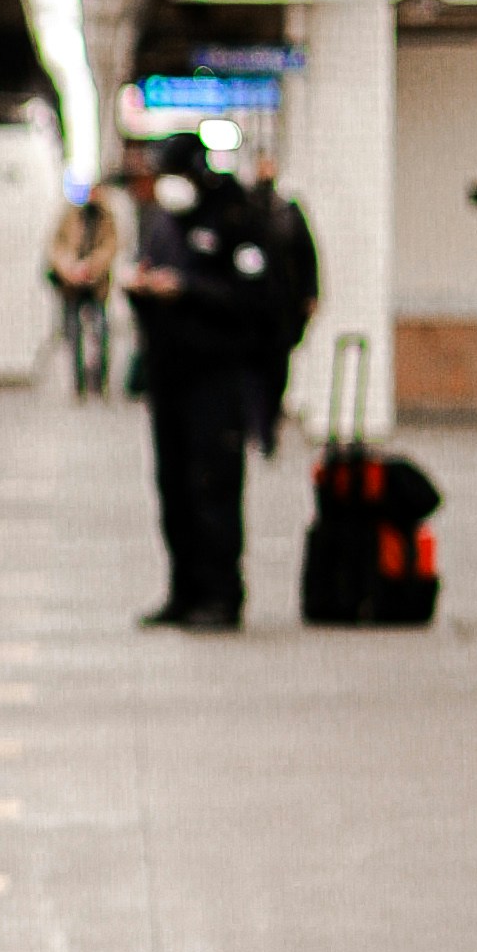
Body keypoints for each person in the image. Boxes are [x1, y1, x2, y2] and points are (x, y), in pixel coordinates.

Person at [122, 134, 275, 630]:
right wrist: (142, 290)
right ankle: (183, 591)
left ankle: (222, 595)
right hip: (169, 375)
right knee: (174, 486)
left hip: (216, 376)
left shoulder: (234, 218)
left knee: (213, 485)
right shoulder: (165, 224)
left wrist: (186, 289)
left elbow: (251, 300)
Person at [244, 153, 320, 451]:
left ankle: (269, 424)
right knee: (252, 369)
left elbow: (307, 255)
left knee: (277, 371)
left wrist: (310, 294)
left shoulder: (288, 212)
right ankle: (256, 425)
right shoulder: (246, 211)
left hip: (281, 308)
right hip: (251, 309)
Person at [45, 180, 120, 398]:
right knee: (73, 333)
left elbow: (111, 246)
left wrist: (91, 267)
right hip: (71, 286)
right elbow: (56, 245)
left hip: (95, 285)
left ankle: (99, 380)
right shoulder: (70, 215)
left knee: (101, 331)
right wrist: (68, 268)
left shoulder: (107, 218)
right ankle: (79, 383)